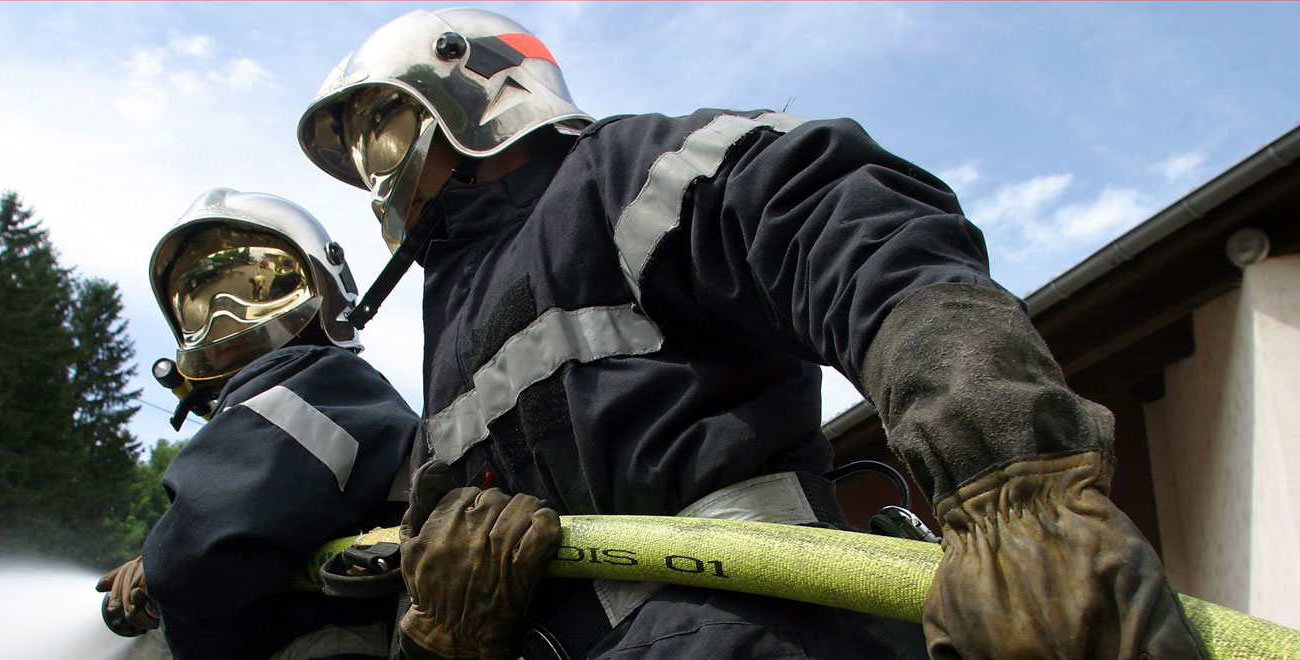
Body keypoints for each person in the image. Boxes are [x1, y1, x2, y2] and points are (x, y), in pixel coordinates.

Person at [296, 8, 1208, 660]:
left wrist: (1015, 487)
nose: (377, 178)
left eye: (381, 133)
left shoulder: (612, 179)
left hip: (750, 630)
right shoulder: (444, 334)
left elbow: (848, 224)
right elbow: (446, 556)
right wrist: (445, 637)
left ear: (472, 86)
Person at [96, 188, 425, 660]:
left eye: (259, 285)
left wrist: (161, 566)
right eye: (200, 302)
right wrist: (161, 566)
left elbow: (204, 549)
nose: (225, 315)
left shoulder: (326, 380)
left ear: (320, 287)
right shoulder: (291, 404)